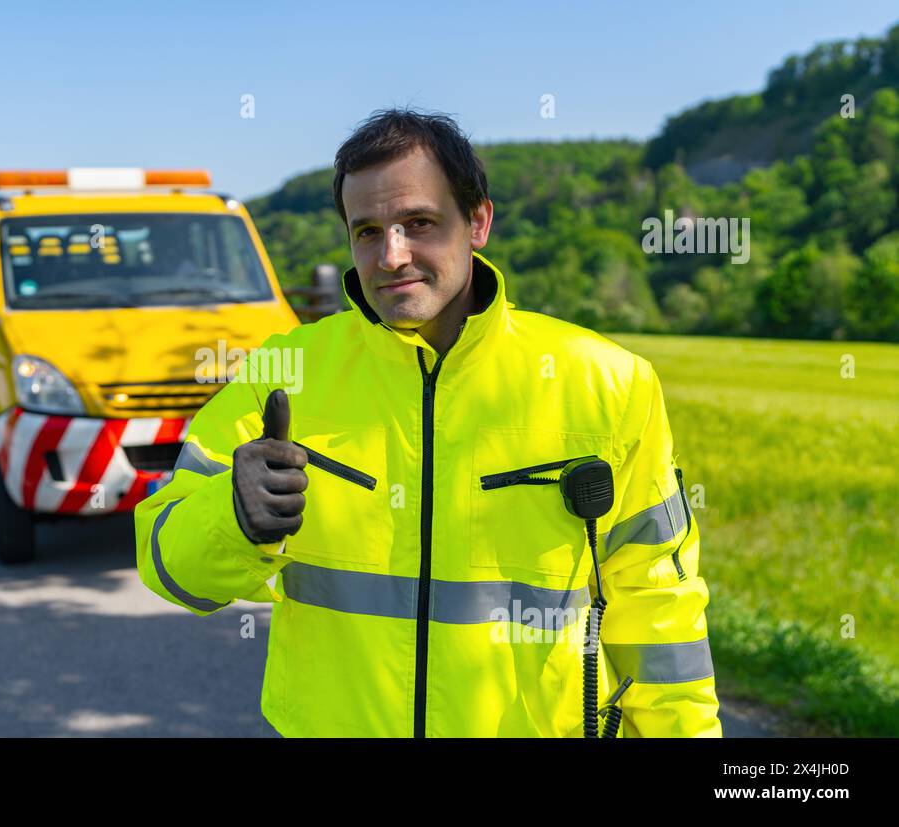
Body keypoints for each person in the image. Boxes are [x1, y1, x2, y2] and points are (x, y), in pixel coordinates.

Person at [135, 108, 722, 738]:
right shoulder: (282, 371)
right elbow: (167, 566)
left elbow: (660, 607)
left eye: (418, 223)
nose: (392, 256)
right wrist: (234, 515)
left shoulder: (608, 384)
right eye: (366, 231)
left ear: (477, 221)